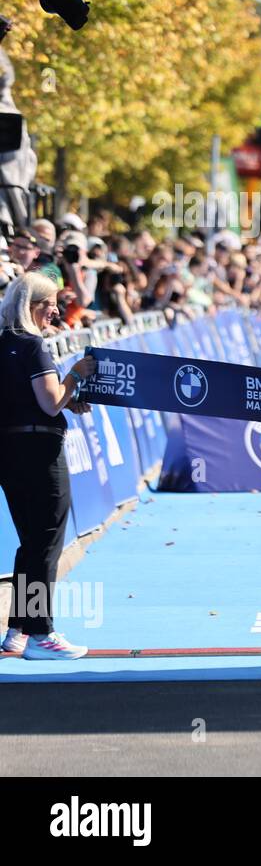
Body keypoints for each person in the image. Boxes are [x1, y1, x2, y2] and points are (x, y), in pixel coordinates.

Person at [0, 272, 96, 659]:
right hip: (40, 450)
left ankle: (18, 631)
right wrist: (75, 377)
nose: (56, 310)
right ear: (33, 305)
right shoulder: (34, 346)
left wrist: (65, 396)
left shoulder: (4, 344)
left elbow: (31, 397)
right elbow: (49, 402)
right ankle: (42, 633)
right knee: (47, 541)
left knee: (31, 542)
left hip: (9, 450)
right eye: (50, 303)